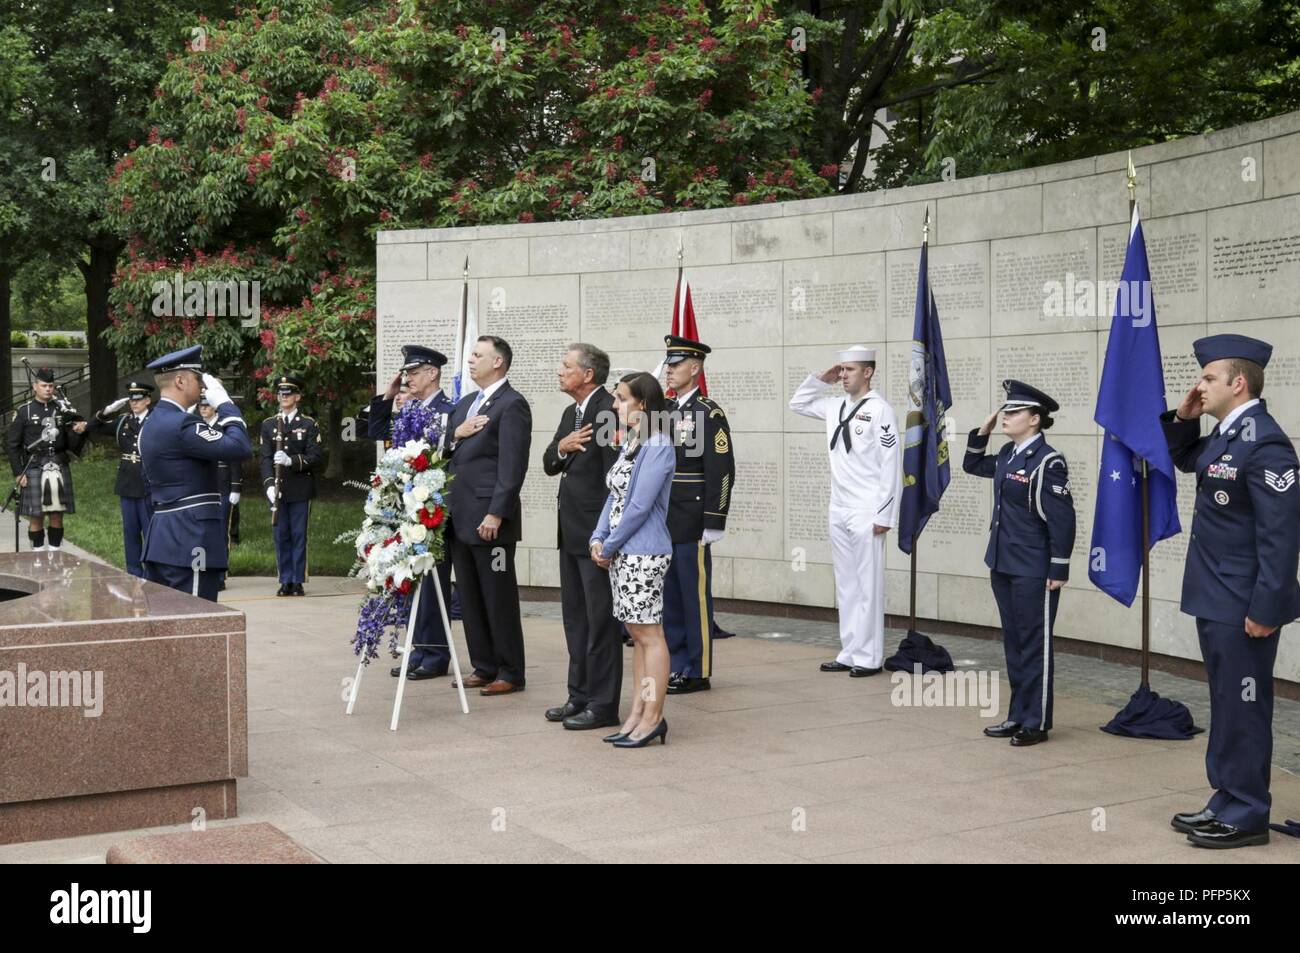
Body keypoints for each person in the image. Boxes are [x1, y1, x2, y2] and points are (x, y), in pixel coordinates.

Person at [1161, 334, 1299, 849]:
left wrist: (1268, 607)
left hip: (1244, 604)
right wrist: (1184, 415)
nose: (1200, 385)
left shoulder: (1266, 442)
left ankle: (1248, 814)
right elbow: (1185, 459)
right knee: (1226, 701)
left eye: (1209, 378)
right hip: (1216, 596)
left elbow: (1282, 538)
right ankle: (1227, 797)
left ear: (1238, 383)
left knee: (1245, 705)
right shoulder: (1226, 435)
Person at [963, 380, 1075, 747]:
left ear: (1035, 419)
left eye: (1013, 412)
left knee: (1034, 643)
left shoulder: (1048, 461)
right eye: (1005, 410)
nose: (1005, 416)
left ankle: (1036, 721)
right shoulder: (1009, 456)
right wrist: (983, 432)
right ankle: (1017, 714)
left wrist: (1058, 567)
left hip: (1033, 568)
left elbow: (1062, 519)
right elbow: (972, 464)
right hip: (1004, 563)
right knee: (1014, 642)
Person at [789, 346, 900, 677]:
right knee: (847, 583)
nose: (843, 375)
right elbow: (797, 403)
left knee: (868, 584)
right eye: (842, 369)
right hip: (838, 506)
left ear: (868, 372)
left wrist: (885, 515)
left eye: (849, 370)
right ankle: (851, 650)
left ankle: (869, 656)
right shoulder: (834, 406)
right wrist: (821, 379)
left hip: (867, 508)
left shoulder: (881, 411)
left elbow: (891, 464)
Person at [590, 372, 676, 748]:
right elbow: (614, 494)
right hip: (624, 551)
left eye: (622, 398)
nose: (614, 405)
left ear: (642, 403)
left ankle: (653, 717)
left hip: (643, 551)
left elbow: (639, 506)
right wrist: (598, 536)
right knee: (637, 635)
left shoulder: (658, 444)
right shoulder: (634, 443)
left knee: (649, 634)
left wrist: (609, 546)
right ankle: (637, 713)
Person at [445, 335, 532, 696]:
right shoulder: (466, 403)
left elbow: (512, 467)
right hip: (459, 517)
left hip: (489, 521)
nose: (470, 360)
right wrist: (455, 434)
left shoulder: (512, 404)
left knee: (497, 596)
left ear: (498, 362)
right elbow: (448, 449)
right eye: (470, 355)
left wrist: (497, 513)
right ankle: (483, 664)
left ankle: (510, 671)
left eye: (478, 355)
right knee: (469, 595)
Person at [542, 344, 622, 730]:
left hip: (595, 537)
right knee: (576, 620)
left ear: (588, 374)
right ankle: (579, 695)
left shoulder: (608, 411)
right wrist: (562, 445)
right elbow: (547, 464)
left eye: (566, 365)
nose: (559, 371)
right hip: (570, 532)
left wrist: (607, 537)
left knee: (600, 621)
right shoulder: (569, 413)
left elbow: (615, 481)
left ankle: (603, 704)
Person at [368, 345, 457, 679]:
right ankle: (420, 648)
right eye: (406, 374)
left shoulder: (448, 410)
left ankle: (435, 655)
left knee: (433, 582)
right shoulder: (409, 410)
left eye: (414, 373)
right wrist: (388, 396)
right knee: (412, 578)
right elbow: (377, 431)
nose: (408, 379)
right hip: (407, 508)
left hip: (434, 508)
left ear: (432, 373)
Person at [137, 345, 252, 600]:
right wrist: (225, 403)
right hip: (191, 536)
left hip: (162, 535)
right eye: (198, 378)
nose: (203, 386)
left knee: (166, 622)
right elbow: (240, 447)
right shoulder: (183, 424)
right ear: (180, 381)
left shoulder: (152, 423)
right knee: (197, 620)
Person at [660, 335, 734, 694]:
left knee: (694, 596)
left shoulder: (709, 412)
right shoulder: (666, 411)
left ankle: (697, 669)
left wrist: (714, 519)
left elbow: (721, 469)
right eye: (668, 365)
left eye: (675, 365)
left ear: (695, 368)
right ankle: (676, 663)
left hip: (692, 518)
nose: (669, 371)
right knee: (671, 596)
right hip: (665, 518)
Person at [6, 367, 89, 553]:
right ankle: (38, 557)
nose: (48, 389)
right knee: (36, 515)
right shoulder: (24, 411)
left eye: (51, 386)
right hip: (34, 466)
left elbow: (72, 444)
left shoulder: (62, 410)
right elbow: (12, 445)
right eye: (44, 385)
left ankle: (55, 554)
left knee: (57, 514)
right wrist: (19, 472)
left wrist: (80, 432)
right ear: (35, 387)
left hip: (59, 464)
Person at [260, 375, 324, 596]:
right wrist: (269, 484)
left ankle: (297, 580)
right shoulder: (269, 425)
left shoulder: (308, 424)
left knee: (298, 534)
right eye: (281, 393)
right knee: (281, 534)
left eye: (288, 393)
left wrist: (292, 461)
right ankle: (284, 579)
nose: (284, 397)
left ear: (297, 396)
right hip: (278, 490)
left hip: (300, 487)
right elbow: (265, 459)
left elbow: (316, 456)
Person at [88, 380, 155, 576]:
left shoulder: (156, 420)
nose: (134, 403)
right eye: (132, 400)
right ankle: (134, 572)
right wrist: (106, 412)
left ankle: (152, 573)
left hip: (147, 482)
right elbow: (93, 427)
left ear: (148, 400)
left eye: (139, 399)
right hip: (127, 483)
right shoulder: (124, 421)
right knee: (130, 532)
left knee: (149, 531)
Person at [198, 396, 242, 590]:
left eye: (207, 405)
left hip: (222, 486)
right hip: (204, 487)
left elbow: (235, 459)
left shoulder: (223, 427)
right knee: (205, 533)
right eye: (201, 405)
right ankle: (207, 572)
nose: (203, 408)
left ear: (215, 408)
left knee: (221, 532)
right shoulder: (198, 427)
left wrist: (235, 487)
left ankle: (220, 575)